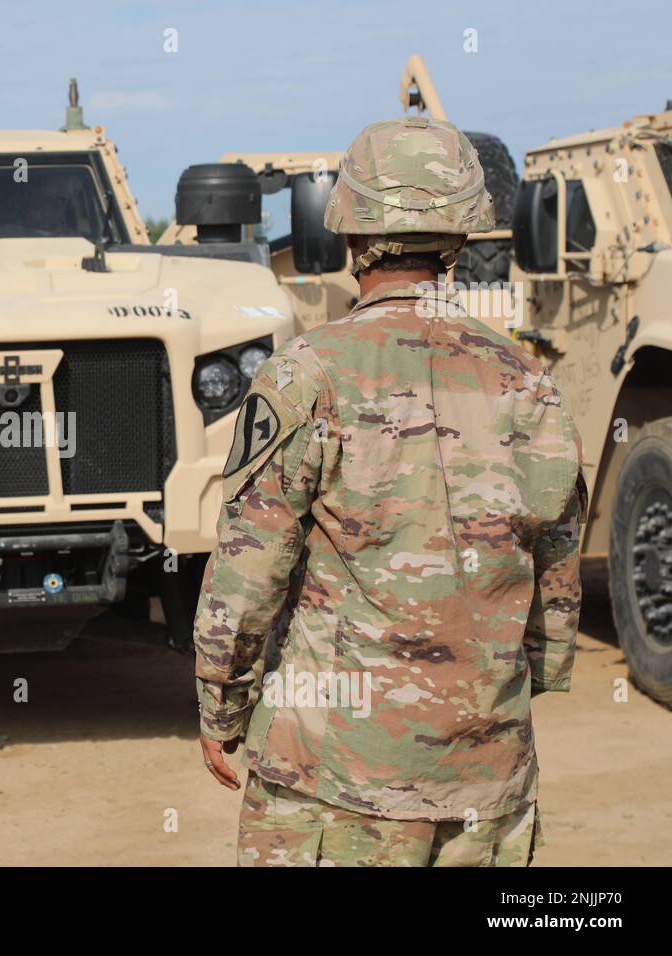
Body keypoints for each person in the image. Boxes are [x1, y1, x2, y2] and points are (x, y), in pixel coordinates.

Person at [193, 116, 586, 866]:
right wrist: (493, 704)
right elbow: (556, 581)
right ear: (464, 238)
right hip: (488, 786)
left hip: (335, 782)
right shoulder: (529, 381)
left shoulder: (308, 373)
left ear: (346, 234)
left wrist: (222, 705)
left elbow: (248, 574)